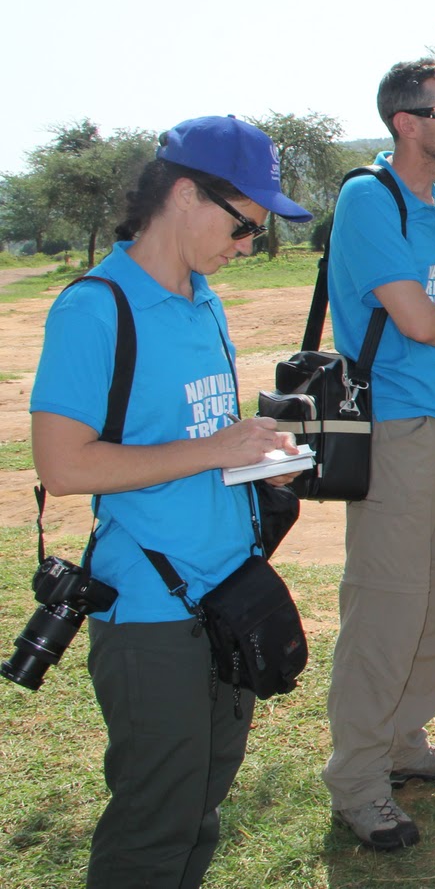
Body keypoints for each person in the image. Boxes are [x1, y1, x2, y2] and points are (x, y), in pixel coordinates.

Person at [29, 116, 311, 888]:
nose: (248, 245)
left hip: (226, 592)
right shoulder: (96, 308)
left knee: (202, 807)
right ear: (185, 193)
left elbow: (193, 436)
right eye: (245, 225)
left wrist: (255, 462)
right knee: (155, 821)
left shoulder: (203, 301)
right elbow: (62, 465)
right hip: (151, 611)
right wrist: (219, 449)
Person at [322, 59, 435, 850]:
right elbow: (428, 325)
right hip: (396, 431)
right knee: (386, 607)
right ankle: (358, 782)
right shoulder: (369, 199)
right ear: (406, 121)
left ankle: (406, 743)